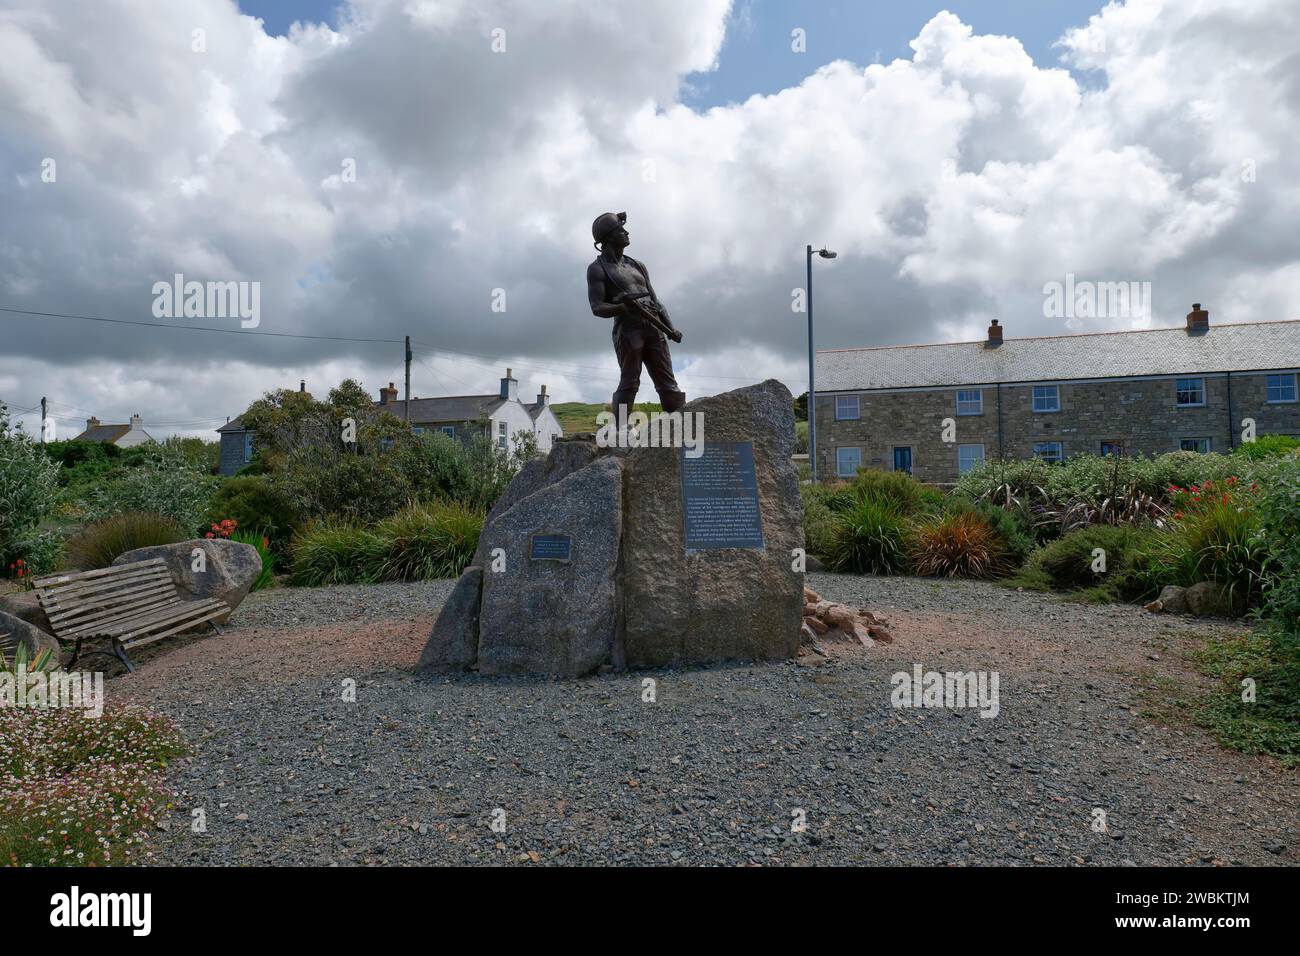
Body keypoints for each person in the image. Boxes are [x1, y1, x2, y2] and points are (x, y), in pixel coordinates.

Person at [586, 211, 685, 433]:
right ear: (609, 237)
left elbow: (656, 301)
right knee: (630, 381)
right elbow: (597, 307)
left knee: (667, 381)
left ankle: (682, 429)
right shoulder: (597, 268)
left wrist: (670, 328)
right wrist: (622, 307)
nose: (626, 232)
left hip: (654, 328)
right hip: (628, 331)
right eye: (621, 230)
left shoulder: (638, 265)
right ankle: (620, 431)